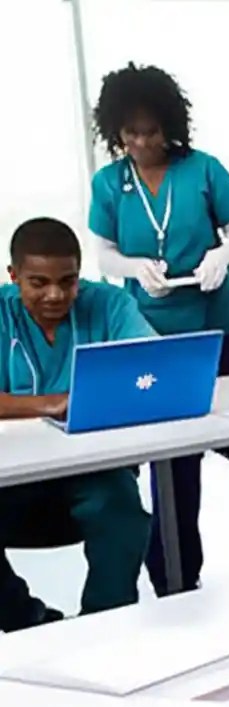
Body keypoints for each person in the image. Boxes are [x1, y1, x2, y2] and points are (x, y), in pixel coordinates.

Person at [88, 62, 229, 596]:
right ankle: (174, 577)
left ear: (171, 125)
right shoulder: (110, 183)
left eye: (151, 131)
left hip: (214, 319)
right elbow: (104, 253)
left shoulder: (202, 168)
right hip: (151, 327)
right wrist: (134, 268)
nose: (141, 141)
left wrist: (220, 256)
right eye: (130, 132)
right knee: (171, 459)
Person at [0, 218, 153, 631]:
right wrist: (46, 403)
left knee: (121, 509)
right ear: (13, 276)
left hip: (92, 472)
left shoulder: (109, 305)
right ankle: (28, 624)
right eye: (38, 282)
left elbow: (152, 366)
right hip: (10, 480)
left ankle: (102, 631)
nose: (55, 294)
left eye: (68, 281)